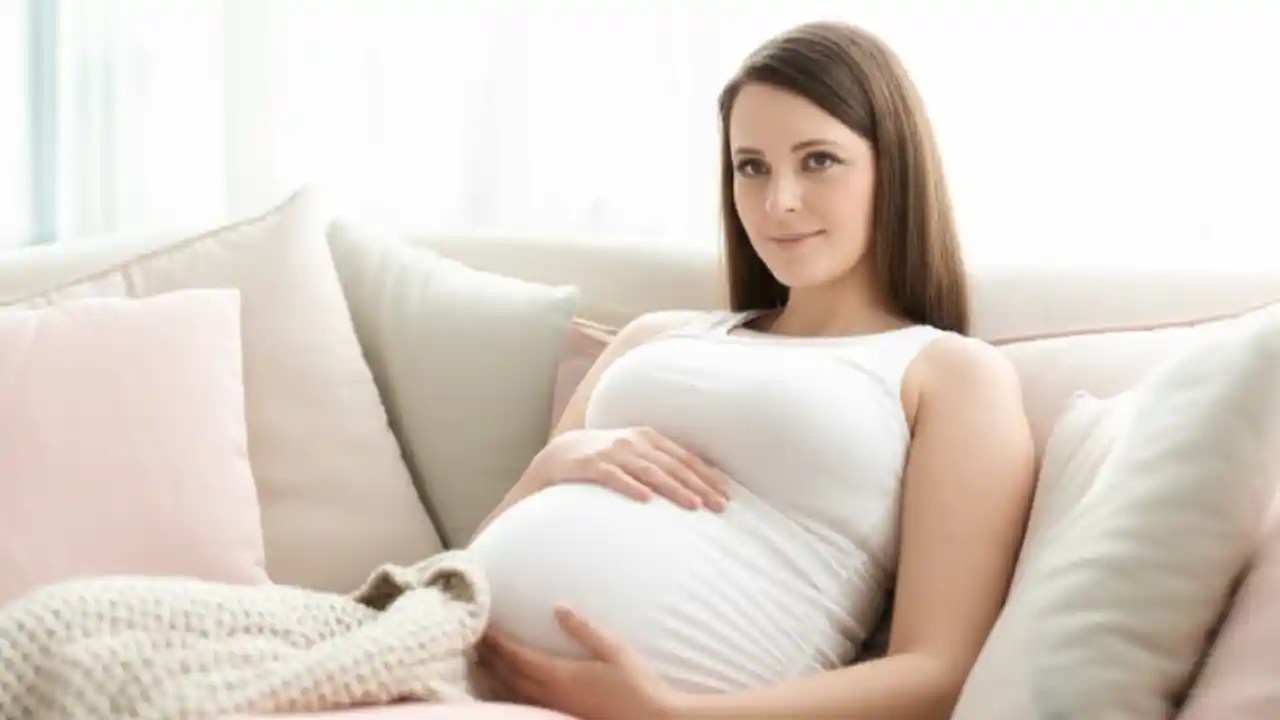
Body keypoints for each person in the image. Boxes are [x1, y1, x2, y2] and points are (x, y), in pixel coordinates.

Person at [465, 20, 1036, 720]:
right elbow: (464, 564)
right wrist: (553, 464)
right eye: (751, 166)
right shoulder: (654, 336)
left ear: (894, 168)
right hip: (441, 668)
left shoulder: (948, 373)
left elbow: (939, 673)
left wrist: (673, 716)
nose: (778, 202)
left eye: (818, 160)